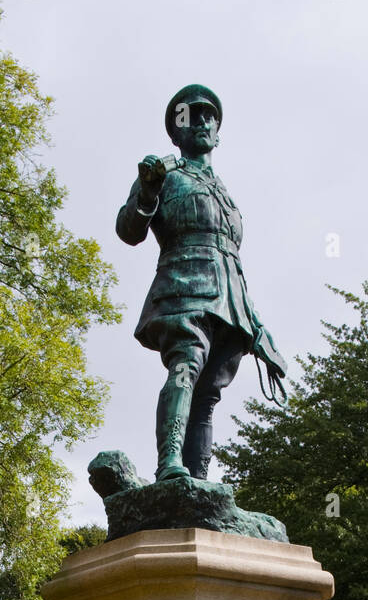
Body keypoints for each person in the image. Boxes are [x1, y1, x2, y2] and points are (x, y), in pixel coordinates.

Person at [117, 84, 287, 482]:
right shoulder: (163, 174)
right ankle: (170, 465)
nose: (203, 121)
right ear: (177, 130)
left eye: (210, 116)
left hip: (229, 302)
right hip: (181, 288)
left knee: (209, 395)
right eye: (193, 116)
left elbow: (232, 260)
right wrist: (146, 189)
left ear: (218, 133)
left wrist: (257, 327)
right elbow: (128, 230)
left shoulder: (225, 193)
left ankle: (197, 481)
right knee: (185, 366)